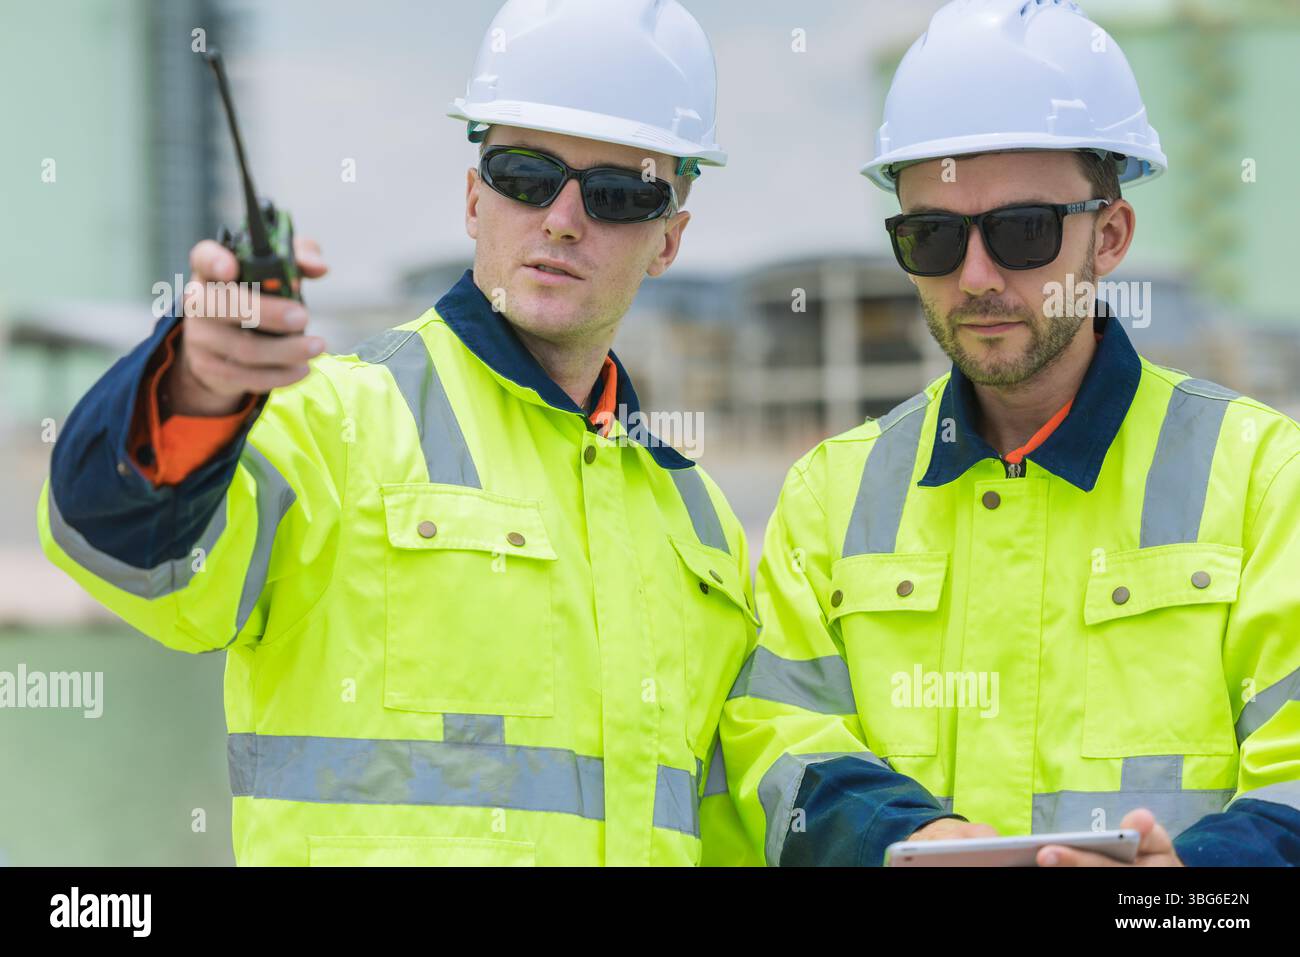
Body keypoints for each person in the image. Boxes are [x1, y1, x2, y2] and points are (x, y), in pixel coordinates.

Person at [38, 0, 760, 866]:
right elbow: (117, 546)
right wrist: (194, 385)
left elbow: (728, 823)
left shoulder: (702, 525)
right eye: (526, 175)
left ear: (669, 239)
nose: (564, 219)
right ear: (473, 196)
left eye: (617, 193)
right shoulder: (331, 421)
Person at [721, 0, 1300, 866]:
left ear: (1109, 236)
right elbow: (776, 740)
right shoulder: (831, 496)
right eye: (934, 237)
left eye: (1023, 232)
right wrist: (910, 838)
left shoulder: (1263, 479)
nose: (977, 276)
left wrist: (1190, 887)